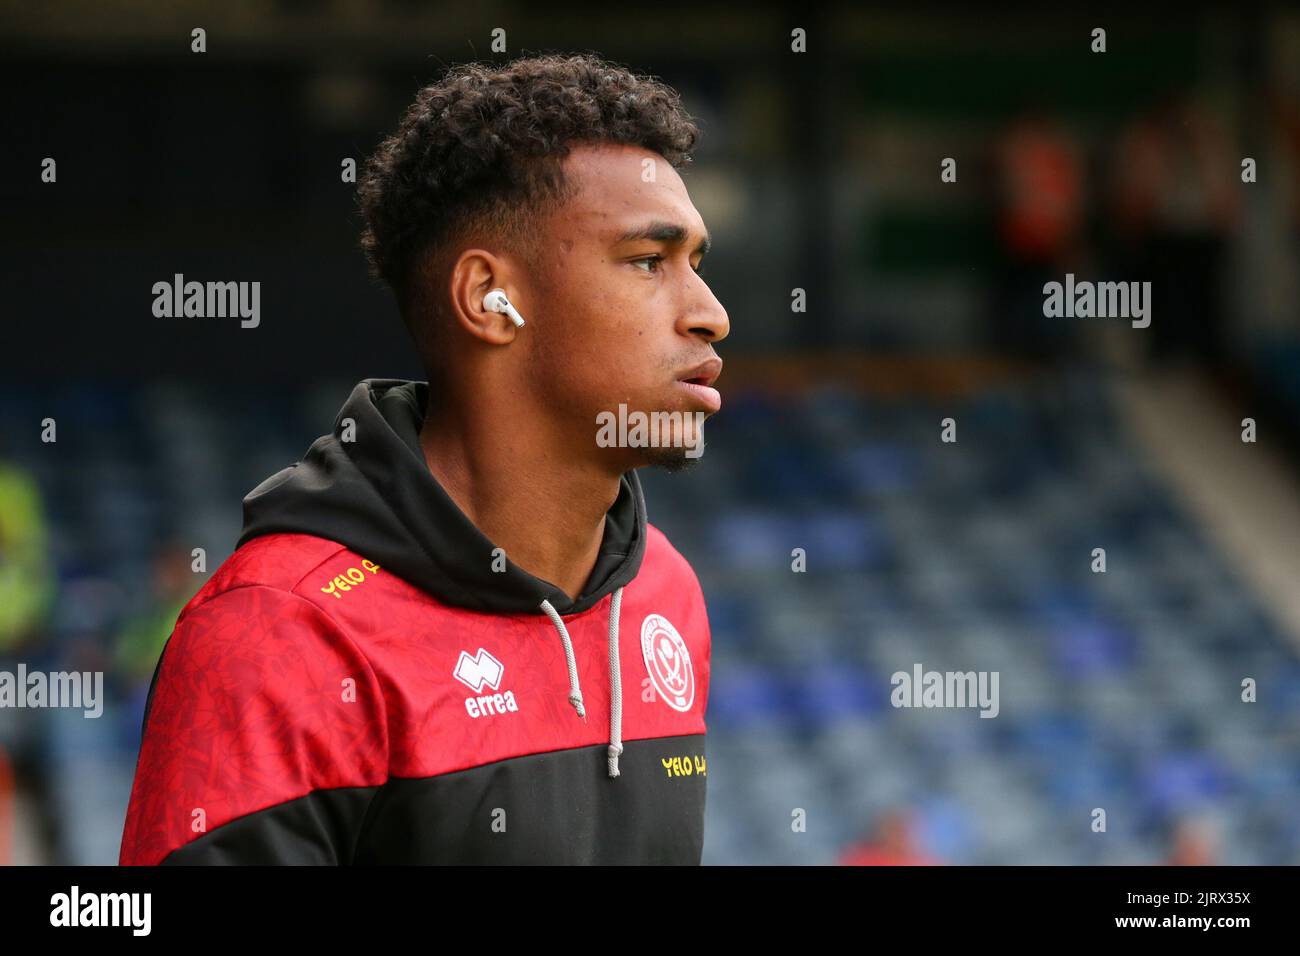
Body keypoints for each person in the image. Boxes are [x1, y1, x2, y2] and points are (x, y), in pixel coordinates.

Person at [119, 53, 729, 865]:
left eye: (698, 263)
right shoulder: (283, 636)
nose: (710, 315)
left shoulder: (664, 592)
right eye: (649, 262)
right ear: (490, 298)